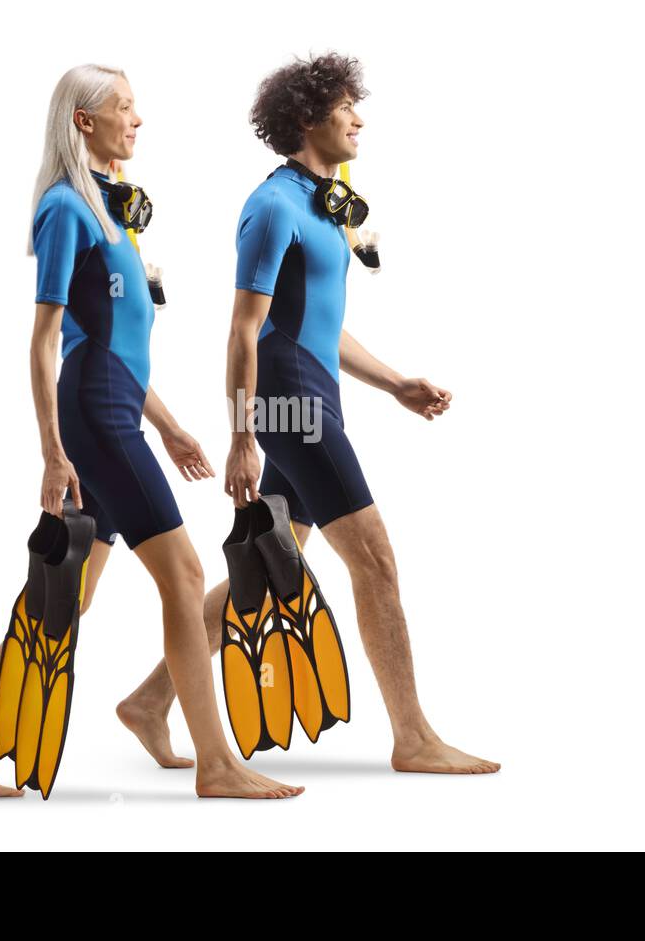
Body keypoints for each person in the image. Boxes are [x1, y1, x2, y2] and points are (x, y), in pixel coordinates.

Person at [116, 53, 500, 776]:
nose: (359, 118)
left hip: (312, 391)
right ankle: (414, 738)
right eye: (346, 106)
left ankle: (150, 699)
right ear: (306, 118)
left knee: (270, 563)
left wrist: (394, 383)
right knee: (375, 561)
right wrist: (241, 438)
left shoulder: (326, 200)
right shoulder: (272, 206)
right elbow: (244, 328)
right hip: (288, 406)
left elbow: (317, 325)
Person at [0, 64, 303, 799]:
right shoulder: (67, 210)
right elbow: (47, 341)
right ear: (83, 122)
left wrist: (165, 425)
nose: (138, 120)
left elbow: (121, 345)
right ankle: (218, 765)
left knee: (68, 597)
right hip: (94, 417)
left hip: (116, 404)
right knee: (187, 575)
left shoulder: (113, 211)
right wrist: (51, 451)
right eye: (124, 109)